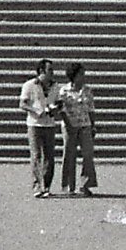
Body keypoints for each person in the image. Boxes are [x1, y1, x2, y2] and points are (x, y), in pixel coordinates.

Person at [17, 59, 61, 198]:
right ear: (41, 71)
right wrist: (35, 111)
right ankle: (37, 186)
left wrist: (56, 110)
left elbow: (59, 103)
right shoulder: (29, 85)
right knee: (36, 155)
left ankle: (46, 186)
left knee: (49, 157)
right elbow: (22, 104)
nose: (52, 73)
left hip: (49, 124)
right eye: (50, 70)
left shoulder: (56, 86)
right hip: (34, 124)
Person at [54, 61, 97, 196]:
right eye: (80, 74)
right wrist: (67, 123)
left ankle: (85, 185)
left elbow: (91, 108)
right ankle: (68, 186)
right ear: (74, 76)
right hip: (69, 126)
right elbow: (61, 109)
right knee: (69, 155)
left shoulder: (87, 90)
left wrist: (93, 125)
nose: (83, 77)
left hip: (85, 125)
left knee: (88, 155)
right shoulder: (64, 90)